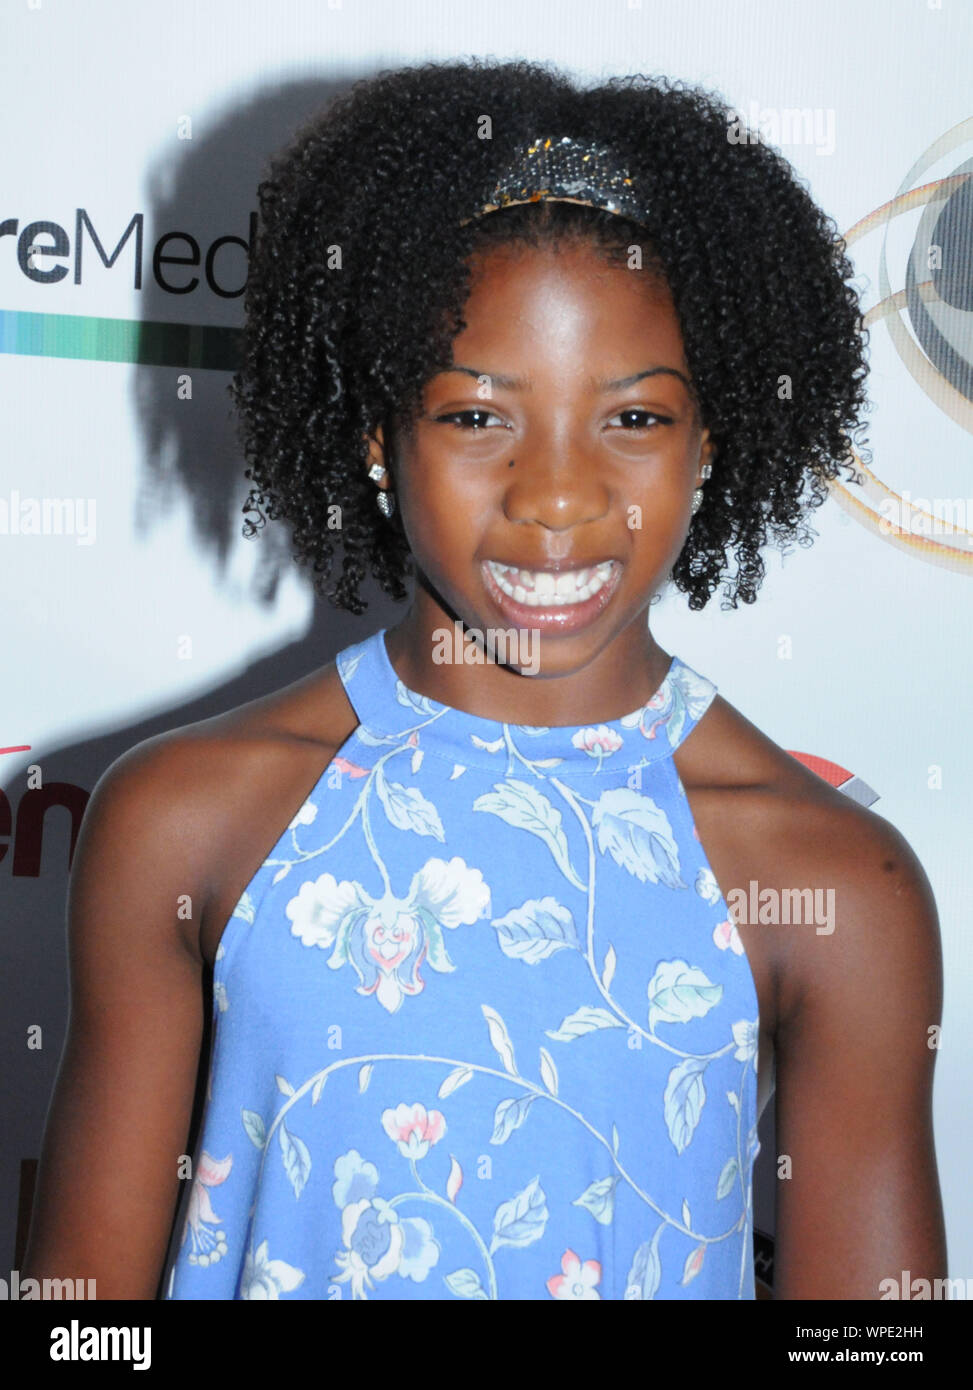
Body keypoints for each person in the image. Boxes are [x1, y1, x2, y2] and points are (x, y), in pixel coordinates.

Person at [23, 58, 946, 1301]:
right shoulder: (187, 819)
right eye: (474, 417)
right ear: (374, 435)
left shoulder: (829, 881)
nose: (556, 498)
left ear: (710, 439)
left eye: (633, 419)